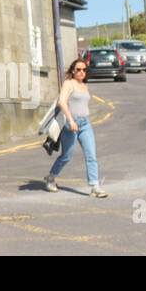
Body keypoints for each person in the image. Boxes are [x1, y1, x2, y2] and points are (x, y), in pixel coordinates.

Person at [45, 58, 108, 197]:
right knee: (66, 156)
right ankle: (51, 177)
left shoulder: (84, 86)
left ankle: (95, 186)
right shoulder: (69, 83)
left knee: (91, 155)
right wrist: (71, 120)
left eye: (84, 70)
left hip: (85, 124)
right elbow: (62, 102)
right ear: (73, 70)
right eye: (78, 69)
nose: (81, 72)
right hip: (70, 124)